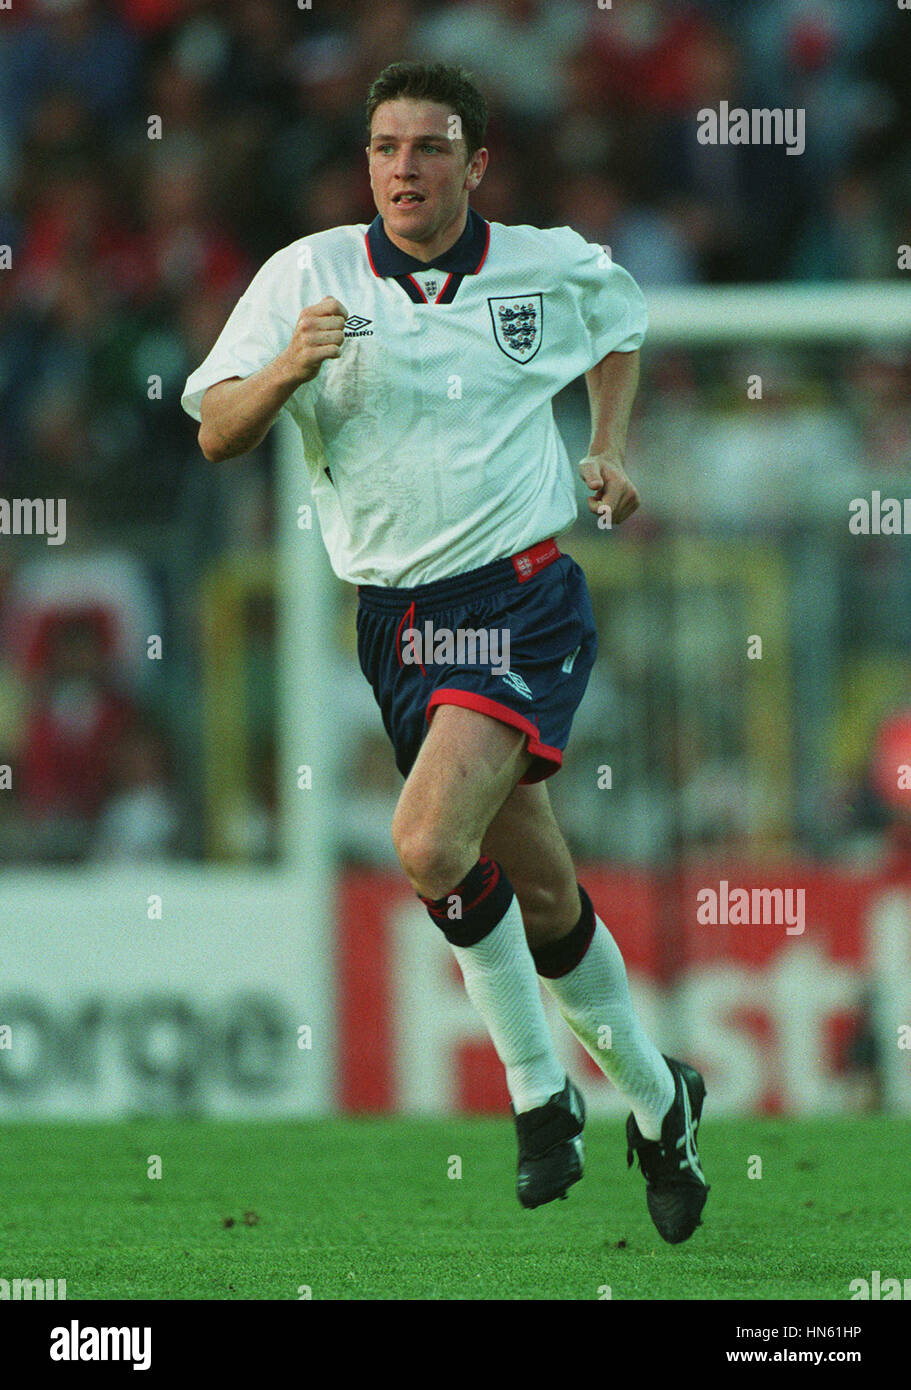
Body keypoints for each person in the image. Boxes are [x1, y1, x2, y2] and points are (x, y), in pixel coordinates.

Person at [181, 61, 708, 1243]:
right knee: (542, 888)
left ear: (474, 163)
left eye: (428, 148)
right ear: (363, 163)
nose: (403, 169)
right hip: (394, 626)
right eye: (383, 148)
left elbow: (617, 318)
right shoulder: (305, 278)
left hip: (518, 598)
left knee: (423, 841)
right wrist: (282, 371)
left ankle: (538, 1104)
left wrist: (609, 442)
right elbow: (216, 428)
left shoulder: (540, 262)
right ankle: (662, 1104)